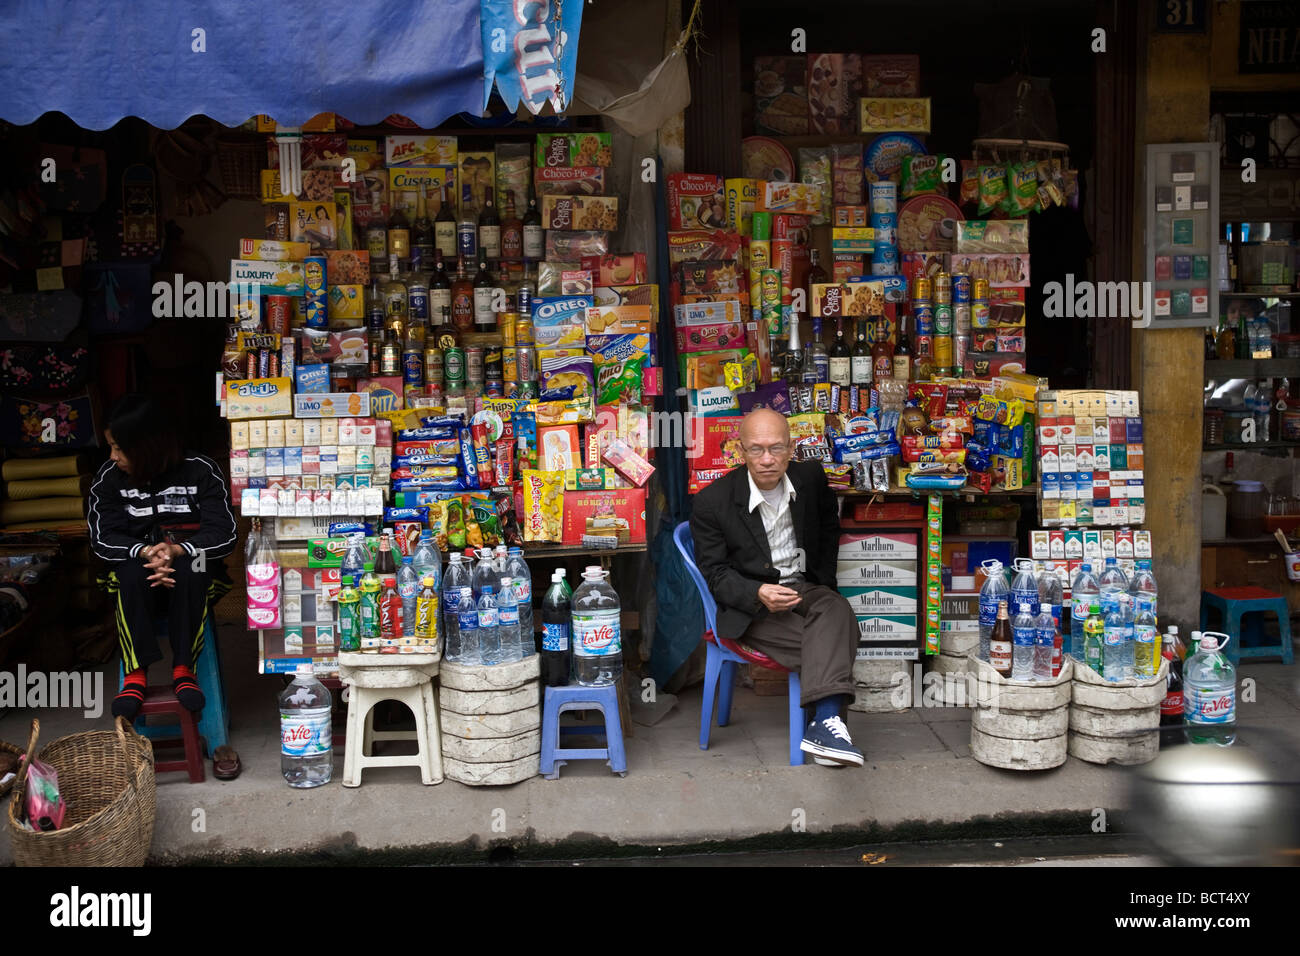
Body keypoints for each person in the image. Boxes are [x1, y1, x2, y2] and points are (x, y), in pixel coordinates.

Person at [690, 408, 862, 767]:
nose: (767, 459)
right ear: (740, 451)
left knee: (837, 610)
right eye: (756, 449)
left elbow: (830, 528)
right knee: (835, 638)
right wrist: (758, 593)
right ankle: (829, 724)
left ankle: (823, 727)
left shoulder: (811, 478)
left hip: (803, 586)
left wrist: (822, 581)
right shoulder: (712, 503)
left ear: (791, 448)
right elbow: (716, 574)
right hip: (753, 606)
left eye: (776, 448)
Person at [88, 394, 236, 721]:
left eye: (118, 447)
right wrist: (144, 552)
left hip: (194, 573)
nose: (112, 457)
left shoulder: (201, 472)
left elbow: (224, 534)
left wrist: (177, 550)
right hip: (136, 575)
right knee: (129, 572)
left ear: (147, 446)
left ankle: (184, 668)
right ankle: (136, 675)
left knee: (191, 568)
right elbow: (103, 539)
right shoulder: (108, 480)